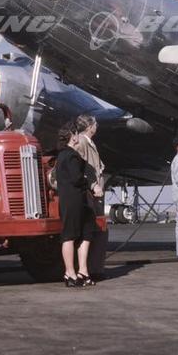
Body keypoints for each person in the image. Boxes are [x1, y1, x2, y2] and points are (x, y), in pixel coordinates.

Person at [54, 122, 97, 287]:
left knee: (86, 233)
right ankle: (70, 272)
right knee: (69, 236)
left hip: (77, 201)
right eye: (77, 133)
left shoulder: (64, 155)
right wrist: (90, 183)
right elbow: (76, 178)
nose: (79, 136)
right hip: (73, 201)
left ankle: (82, 271)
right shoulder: (69, 155)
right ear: (73, 136)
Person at [73, 114, 108, 280]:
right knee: (94, 229)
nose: (97, 125)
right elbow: (81, 166)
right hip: (91, 192)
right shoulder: (81, 142)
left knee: (99, 230)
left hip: (96, 190)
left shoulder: (88, 141)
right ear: (89, 126)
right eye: (95, 123)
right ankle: (92, 269)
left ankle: (96, 267)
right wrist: (94, 185)